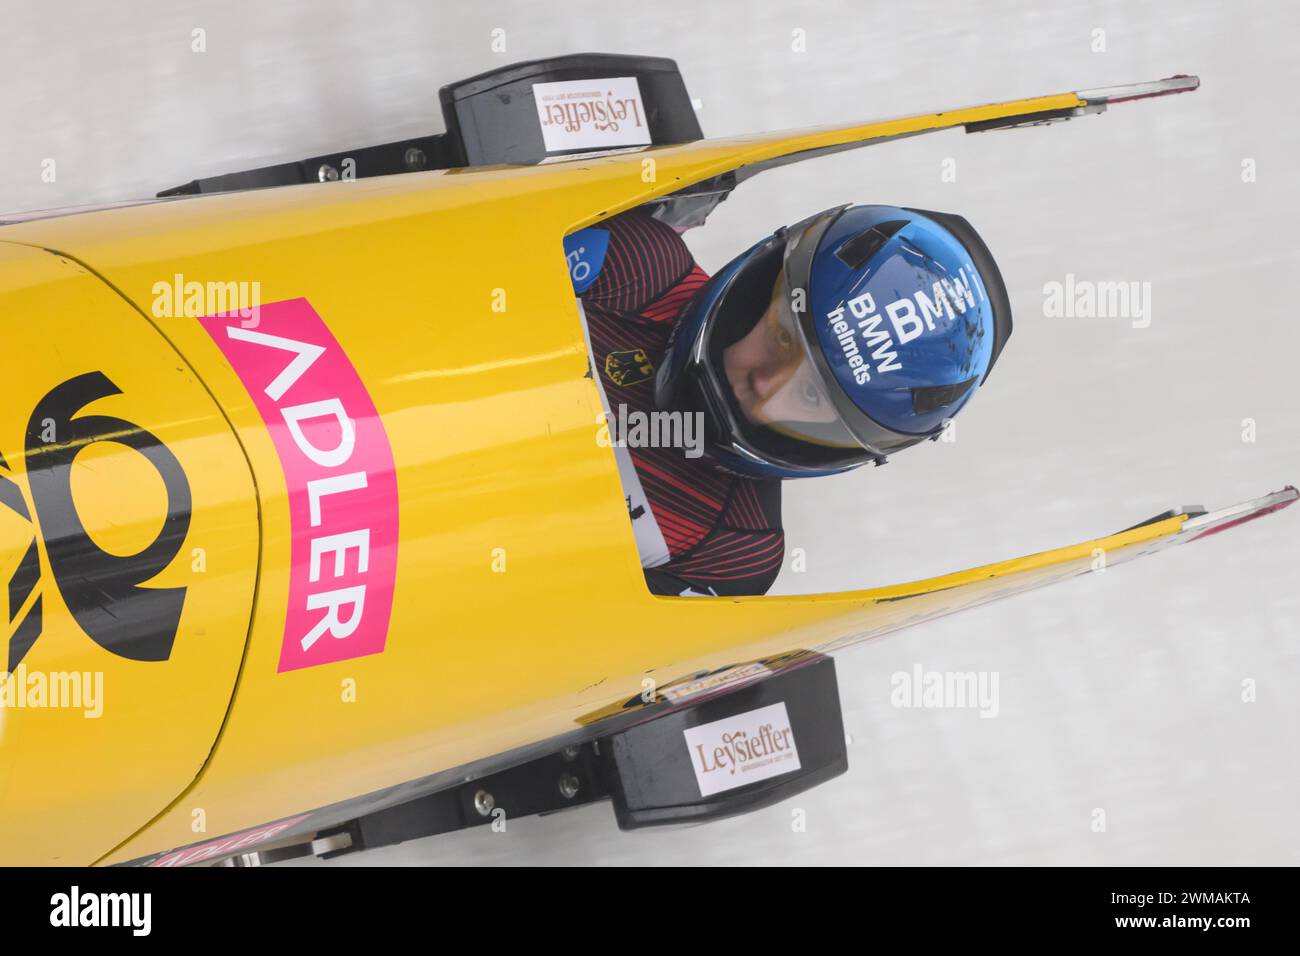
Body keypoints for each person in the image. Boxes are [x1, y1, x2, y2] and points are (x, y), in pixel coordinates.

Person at [566, 203, 1012, 597]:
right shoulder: (635, 268)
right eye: (781, 338)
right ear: (757, 295)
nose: (766, 385)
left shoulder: (732, 551)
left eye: (810, 394)